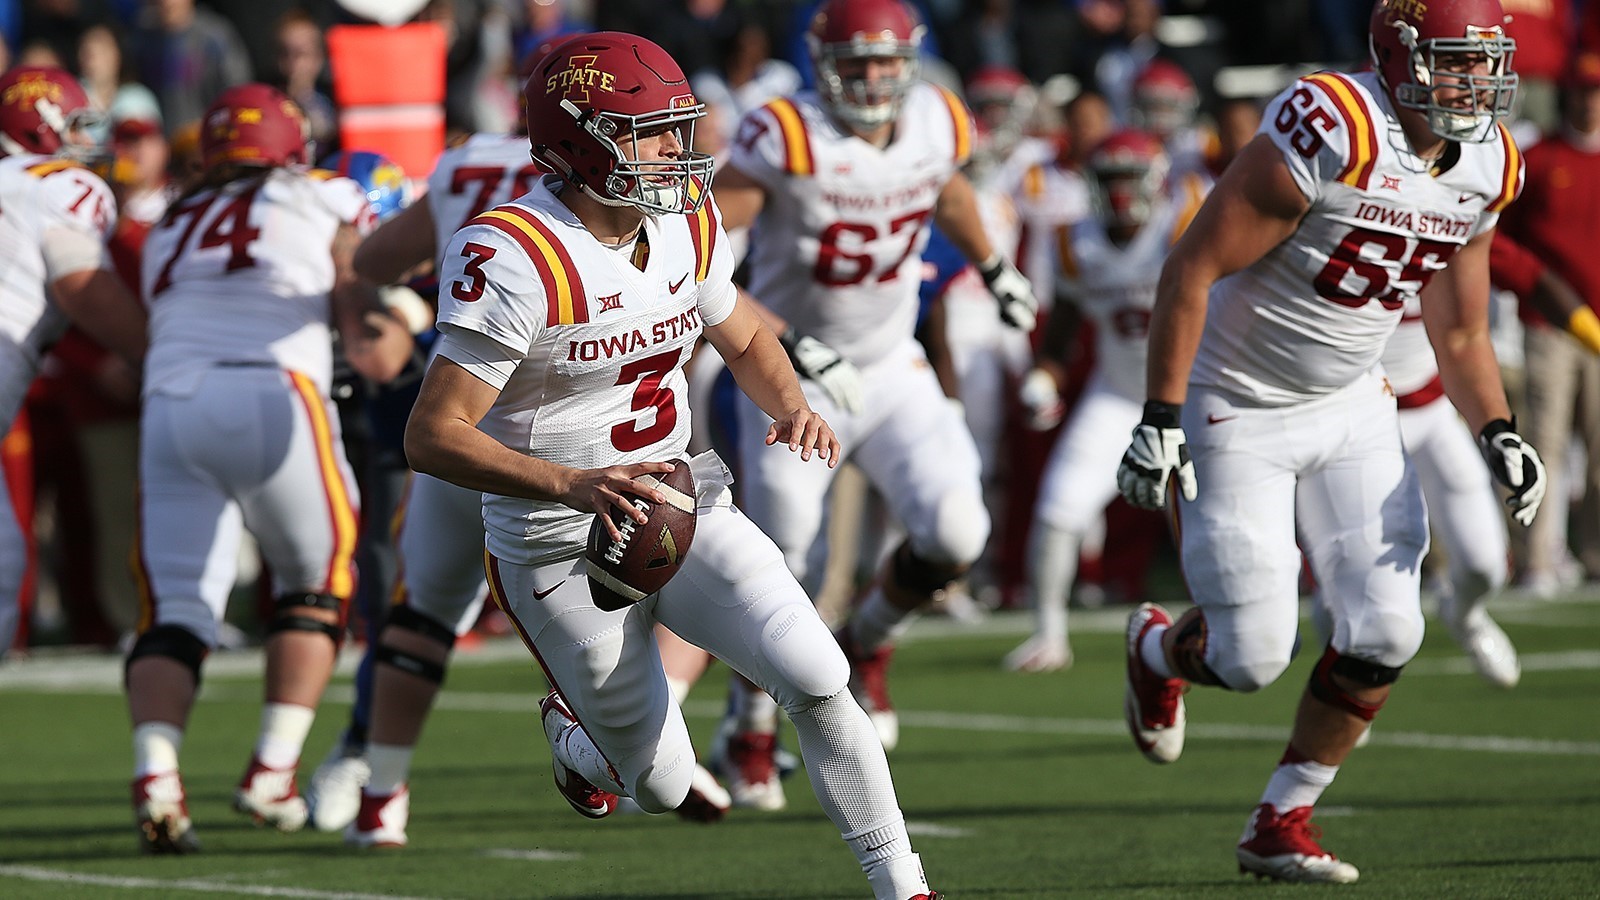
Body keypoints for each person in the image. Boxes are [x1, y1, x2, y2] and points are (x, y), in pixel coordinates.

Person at [402, 31, 941, 900]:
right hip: (554, 546)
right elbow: (433, 435)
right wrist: (569, 483)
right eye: (648, 131)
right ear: (580, 142)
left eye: (676, 128)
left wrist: (792, 405)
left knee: (818, 674)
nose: (674, 151)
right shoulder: (516, 254)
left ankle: (904, 885)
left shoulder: (687, 218)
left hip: (679, 501)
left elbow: (743, 332)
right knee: (657, 787)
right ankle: (579, 738)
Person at [1114, 0, 1545, 883]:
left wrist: (1499, 430)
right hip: (1236, 400)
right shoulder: (1337, 127)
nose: (1476, 81)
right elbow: (1192, 266)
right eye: (1456, 61)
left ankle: (1283, 817)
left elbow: (1459, 330)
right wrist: (1160, 415)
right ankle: (1158, 650)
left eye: (1484, 61)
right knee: (1251, 657)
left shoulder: (1487, 165)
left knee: (1389, 626)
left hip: (1353, 402)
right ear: (1402, 58)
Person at [708, 0, 1038, 805]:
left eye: (888, 62)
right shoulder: (785, 134)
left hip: (892, 366)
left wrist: (993, 267)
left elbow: (948, 190)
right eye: (857, 63)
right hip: (793, 377)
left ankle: (869, 642)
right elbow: (705, 258)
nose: (875, 78)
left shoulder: (935, 120)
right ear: (824, 64)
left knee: (958, 530)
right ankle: (748, 725)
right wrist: (785, 338)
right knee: (779, 558)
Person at [124, 83, 403, 854]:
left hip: (172, 399)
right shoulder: (325, 195)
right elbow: (371, 340)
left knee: (176, 609)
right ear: (293, 147)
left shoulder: (170, 220)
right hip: (275, 390)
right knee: (319, 580)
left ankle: (157, 776)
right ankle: (273, 772)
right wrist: (393, 325)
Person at [1008, 129, 1208, 673]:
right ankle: (1049, 634)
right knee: (1058, 508)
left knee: (1211, 518)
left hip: (1196, 394)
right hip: (1119, 396)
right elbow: (1061, 334)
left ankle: (1226, 623)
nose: (1119, 193)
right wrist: (1044, 378)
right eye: (1108, 179)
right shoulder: (1076, 241)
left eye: (1129, 177)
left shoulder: (1187, 220)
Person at [0, 65, 148, 659]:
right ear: (42, 128)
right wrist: (162, 351)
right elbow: (83, 285)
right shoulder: (57, 183)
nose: (91, 142)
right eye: (79, 126)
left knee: (7, 554)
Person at [1497, 50, 1600, 594]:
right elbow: (1501, 241)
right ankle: (1536, 560)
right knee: (1543, 445)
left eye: (1596, 90)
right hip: (1548, 326)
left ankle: (1595, 557)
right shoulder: (1538, 159)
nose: (1589, 100)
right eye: (1582, 90)